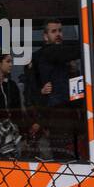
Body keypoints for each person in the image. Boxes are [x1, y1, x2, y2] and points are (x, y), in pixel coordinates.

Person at [23, 19, 82, 160]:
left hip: (73, 113)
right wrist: (40, 92)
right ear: (45, 36)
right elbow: (29, 90)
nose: (58, 34)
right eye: (53, 31)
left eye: (60, 31)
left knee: (74, 154)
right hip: (53, 114)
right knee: (62, 156)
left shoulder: (67, 58)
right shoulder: (42, 56)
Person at [0, 51, 24, 160]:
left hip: (12, 130)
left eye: (11, 62)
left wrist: (21, 128)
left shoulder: (12, 85)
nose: (11, 64)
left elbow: (18, 110)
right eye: (8, 61)